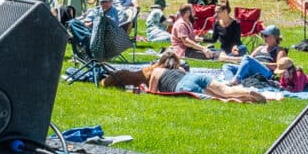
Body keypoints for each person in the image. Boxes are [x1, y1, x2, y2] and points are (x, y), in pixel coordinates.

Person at [100, 52, 267, 103]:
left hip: (183, 86)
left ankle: (245, 100)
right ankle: (247, 92)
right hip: (197, 77)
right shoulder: (180, 68)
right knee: (225, 91)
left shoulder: (157, 71)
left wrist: (139, 91)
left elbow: (153, 93)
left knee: (219, 99)